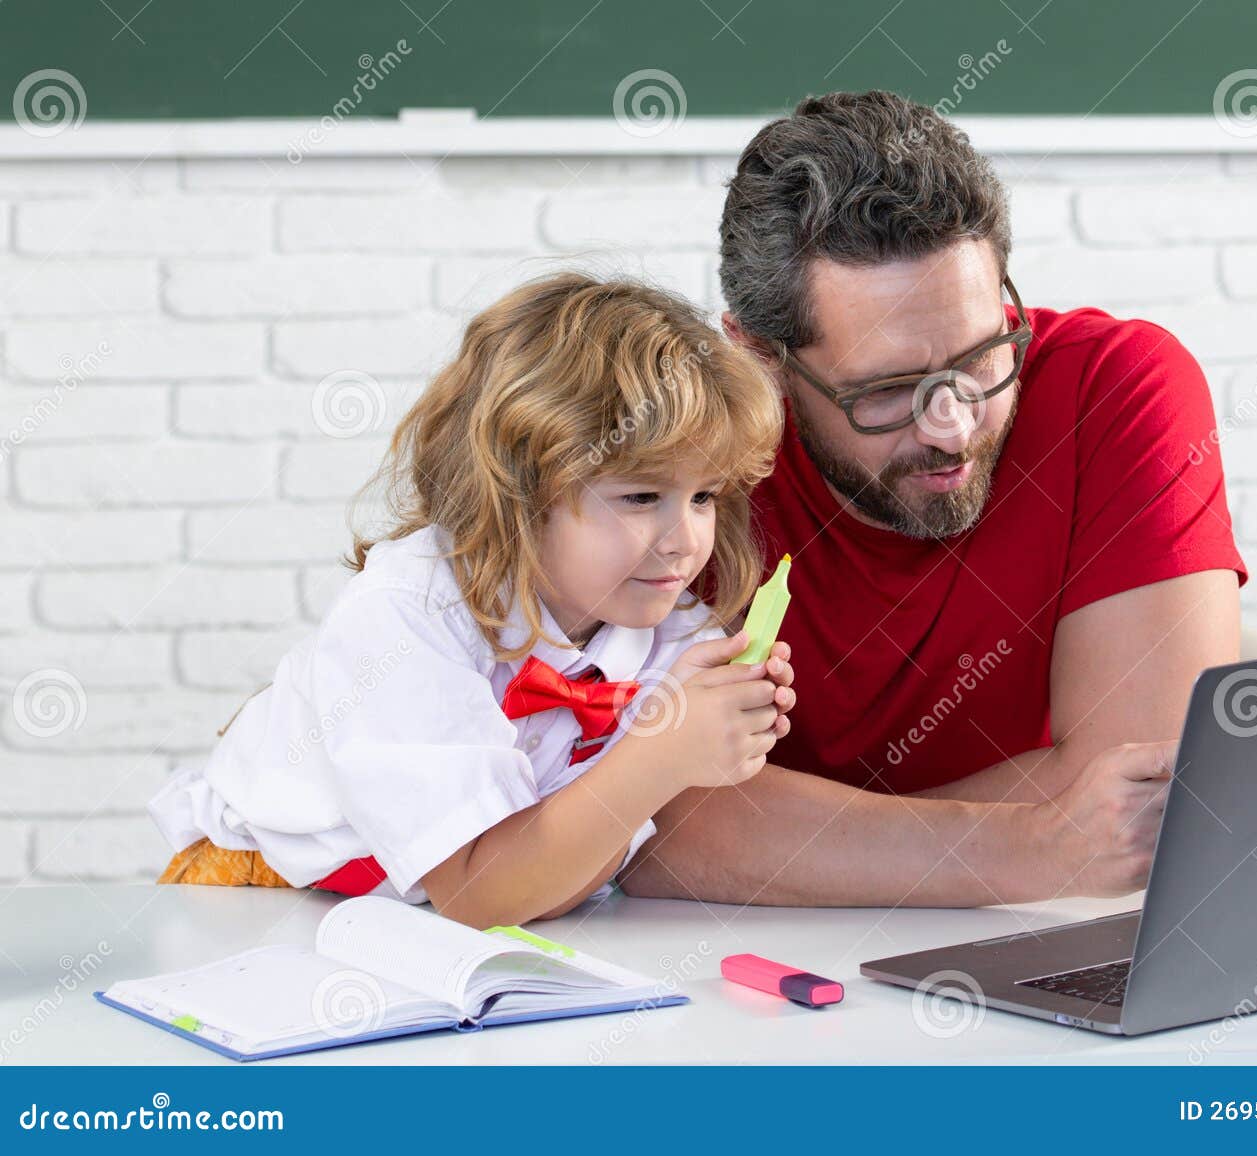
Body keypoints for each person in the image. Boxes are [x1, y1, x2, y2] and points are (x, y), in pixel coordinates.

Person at [620, 91, 1249, 908]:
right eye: (886, 390)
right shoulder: (682, 467)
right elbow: (641, 819)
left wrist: (791, 842)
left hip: (1032, 936)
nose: (951, 425)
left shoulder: (1118, 387)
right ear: (760, 358)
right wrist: (1038, 847)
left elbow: (1151, 796)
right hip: (746, 971)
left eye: (983, 354)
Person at [149, 272, 796, 929]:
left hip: (441, 910)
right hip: (261, 891)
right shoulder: (408, 614)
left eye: (704, 497)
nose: (686, 540)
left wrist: (709, 736)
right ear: (519, 492)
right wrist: (658, 758)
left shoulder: (670, 630)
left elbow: (532, 884)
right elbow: (480, 893)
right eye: (640, 497)